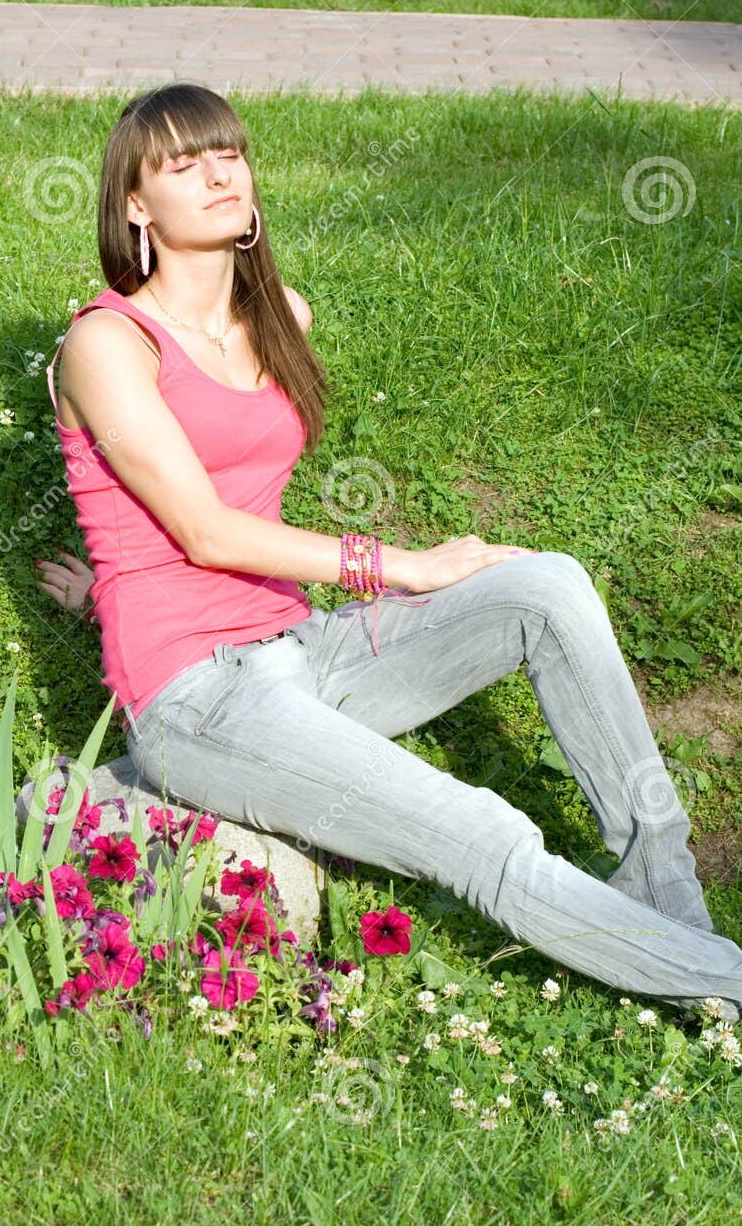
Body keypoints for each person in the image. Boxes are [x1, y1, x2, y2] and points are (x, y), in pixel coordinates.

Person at [37, 81, 742, 1026]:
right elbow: (202, 530)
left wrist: (109, 575)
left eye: (229, 154)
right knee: (484, 831)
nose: (218, 174)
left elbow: (223, 488)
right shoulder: (105, 341)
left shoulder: (280, 313)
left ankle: (673, 912)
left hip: (300, 650)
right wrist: (398, 565)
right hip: (195, 697)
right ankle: (725, 981)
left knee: (547, 585)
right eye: (183, 163)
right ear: (134, 203)